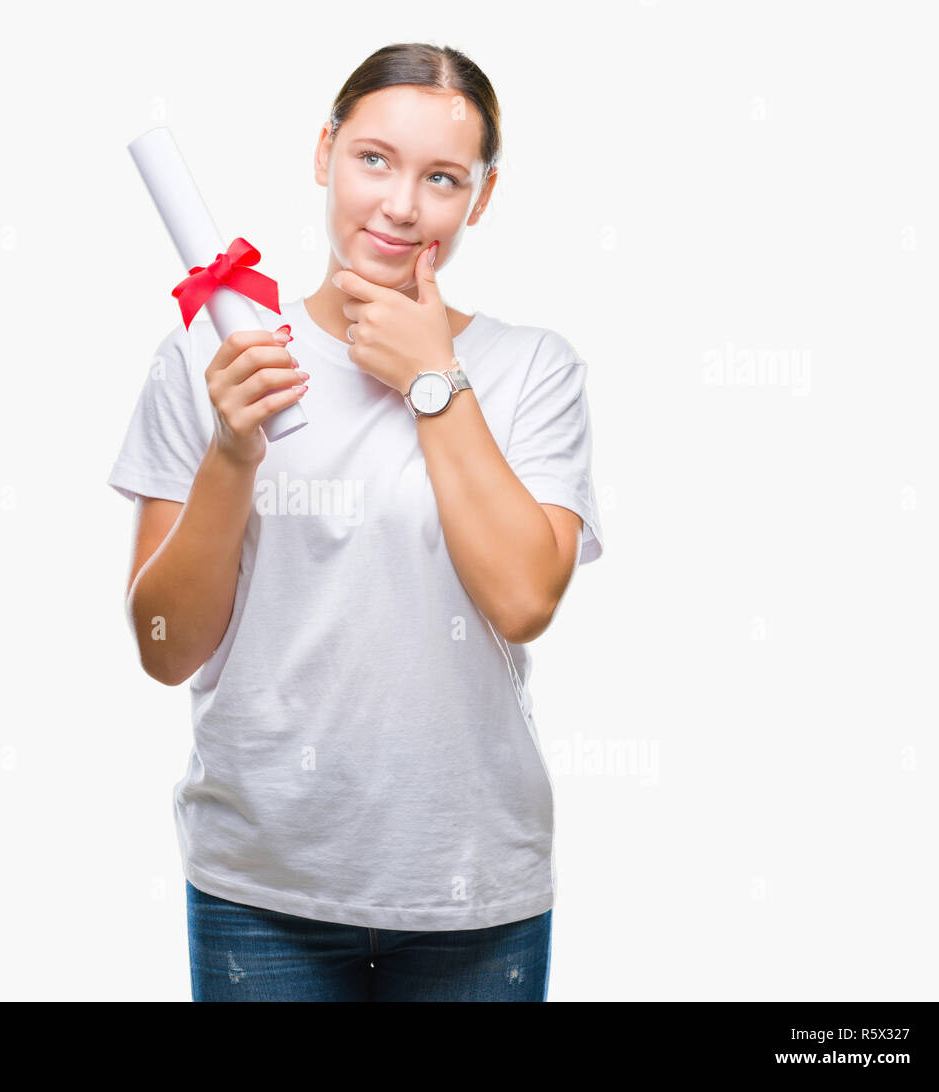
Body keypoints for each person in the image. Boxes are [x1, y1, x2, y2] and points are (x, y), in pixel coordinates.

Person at [109, 42, 604, 1002]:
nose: (402, 205)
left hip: (472, 889)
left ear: (482, 197)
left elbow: (521, 599)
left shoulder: (534, 369)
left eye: (442, 177)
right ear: (325, 150)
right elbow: (165, 648)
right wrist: (233, 455)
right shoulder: (213, 363)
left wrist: (433, 379)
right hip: (262, 887)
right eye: (374, 158)